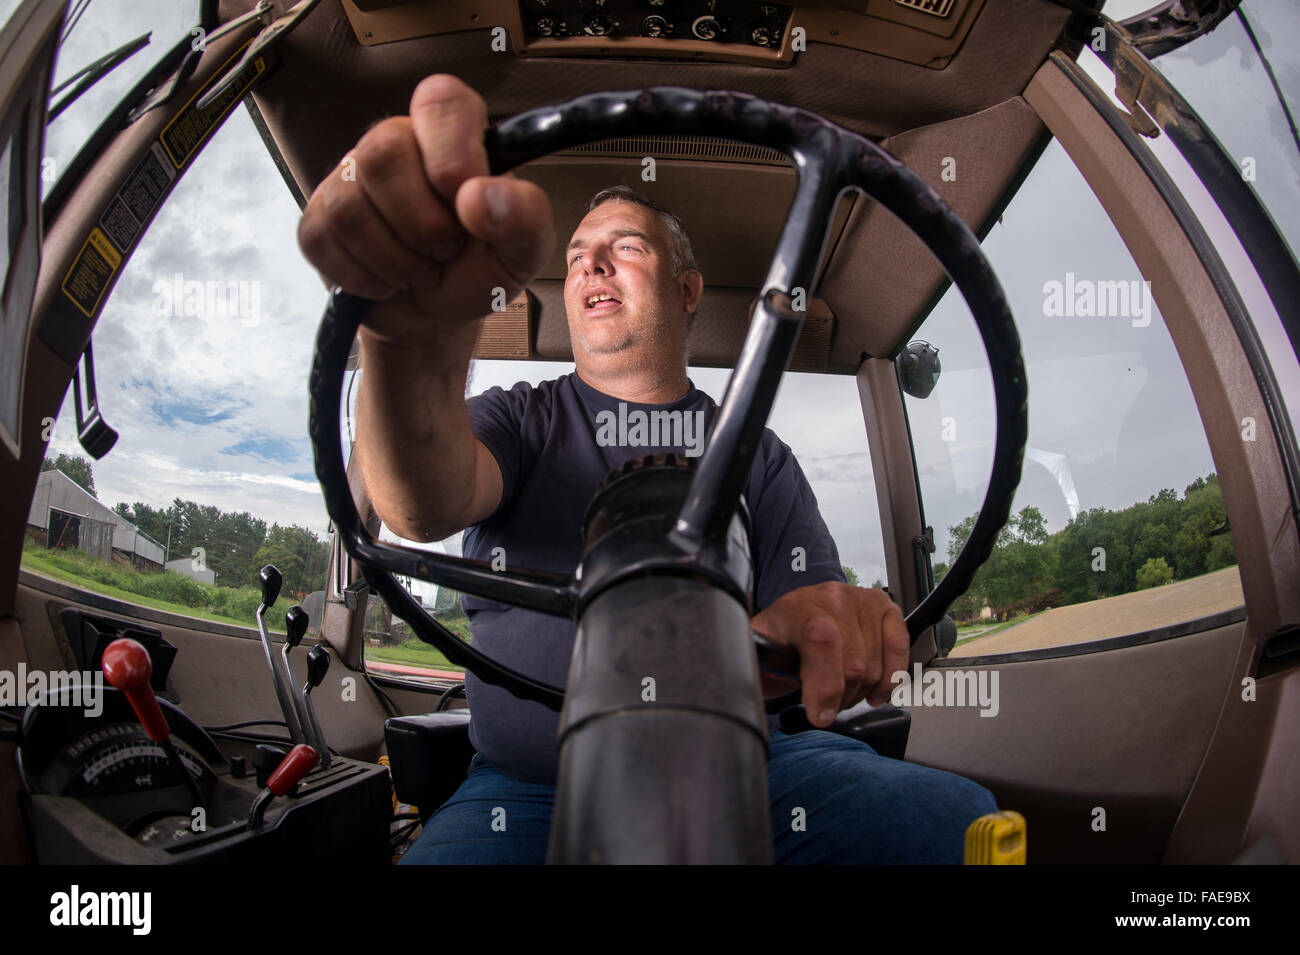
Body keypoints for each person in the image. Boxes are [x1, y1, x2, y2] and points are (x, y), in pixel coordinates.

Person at [298, 74, 997, 863]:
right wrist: (405, 341)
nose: (592, 266)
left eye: (625, 248)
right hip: (530, 786)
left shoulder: (760, 459)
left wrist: (823, 626)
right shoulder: (520, 419)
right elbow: (419, 501)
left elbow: (806, 617)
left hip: (757, 769)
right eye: (577, 256)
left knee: (950, 823)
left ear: (688, 287)